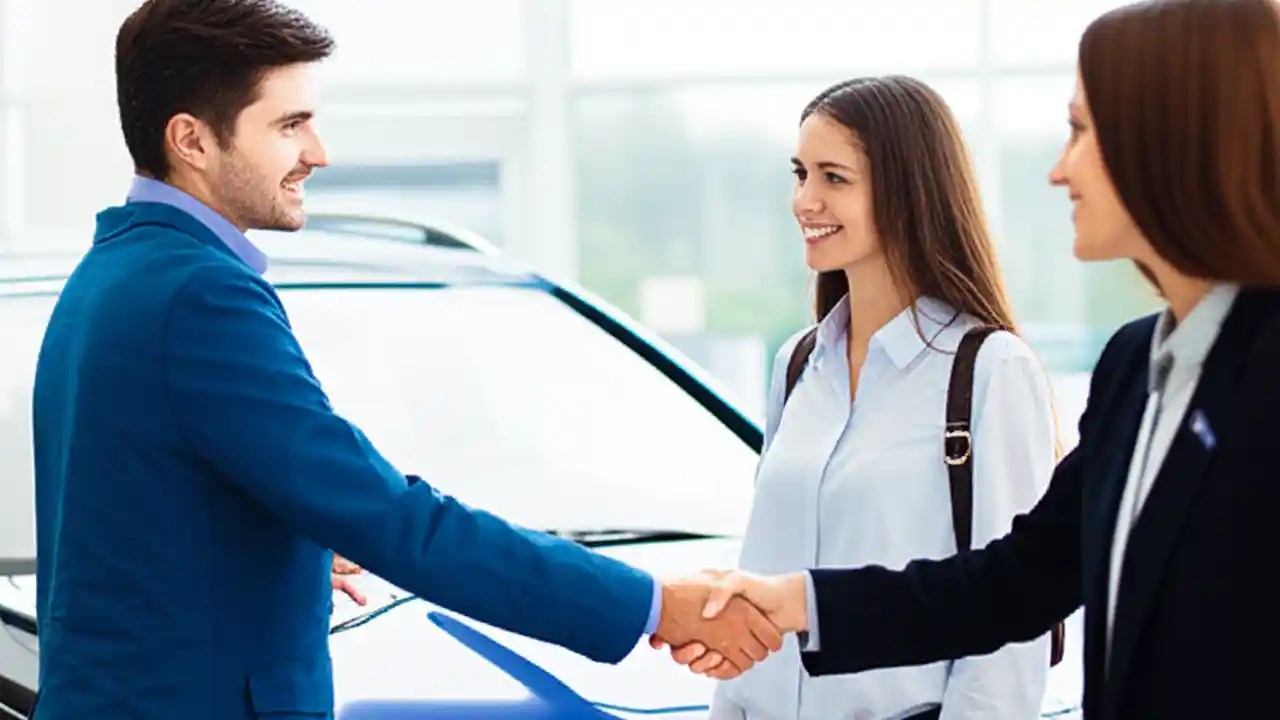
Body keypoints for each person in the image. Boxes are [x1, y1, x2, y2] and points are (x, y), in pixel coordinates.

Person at [28, 1, 779, 718]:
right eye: (290, 125)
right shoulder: (200, 296)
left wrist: (278, 545)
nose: (318, 154)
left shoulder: (115, 276)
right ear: (190, 140)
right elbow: (390, 515)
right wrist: (652, 603)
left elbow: (143, 509)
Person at [678, 1, 1280, 718]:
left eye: (1082, 131)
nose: (1059, 170)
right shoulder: (1133, 366)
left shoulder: (1000, 369)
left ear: (1170, 141)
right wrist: (796, 601)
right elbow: (1012, 584)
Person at [707, 76, 1057, 720]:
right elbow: (762, 570)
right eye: (800, 174)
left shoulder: (988, 371)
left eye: (834, 178)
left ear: (907, 191)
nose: (804, 200)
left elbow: (1012, 632)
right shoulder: (798, 364)